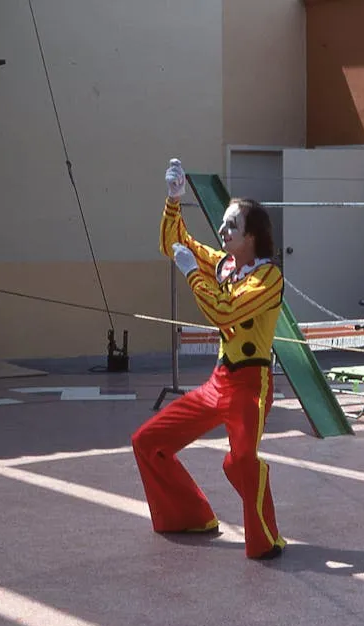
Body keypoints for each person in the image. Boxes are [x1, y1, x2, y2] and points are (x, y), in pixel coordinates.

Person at [131, 158, 286, 560]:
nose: (223, 230)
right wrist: (173, 200)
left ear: (252, 235)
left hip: (251, 386)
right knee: (148, 442)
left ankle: (266, 540)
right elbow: (175, 244)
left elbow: (223, 311)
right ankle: (191, 515)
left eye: (232, 225)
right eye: (224, 224)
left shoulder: (267, 278)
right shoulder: (226, 264)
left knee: (239, 463)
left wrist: (192, 275)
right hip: (218, 381)